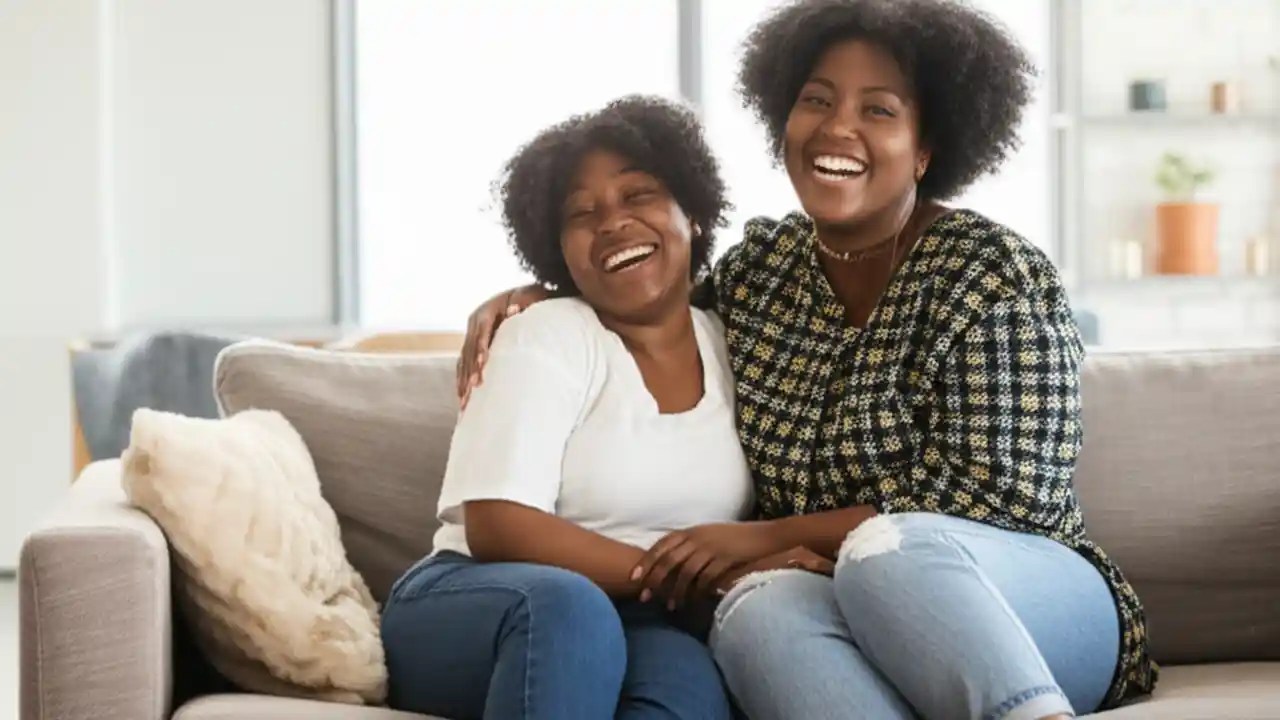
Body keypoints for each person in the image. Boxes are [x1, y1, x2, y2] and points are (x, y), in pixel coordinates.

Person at [455, 2, 1157, 719]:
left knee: (888, 552)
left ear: (925, 148)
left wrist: (769, 535)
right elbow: (648, 291)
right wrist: (534, 293)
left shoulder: (993, 275)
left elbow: (1003, 500)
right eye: (816, 100)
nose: (837, 127)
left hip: (1023, 604)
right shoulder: (762, 270)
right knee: (756, 610)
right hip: (834, 606)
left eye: (878, 110)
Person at [380, 96, 779, 720]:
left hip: (647, 622)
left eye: (639, 195)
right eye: (581, 213)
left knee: (690, 688)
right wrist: (698, 578)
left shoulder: (737, 347)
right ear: (556, 250)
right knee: (570, 611)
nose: (613, 223)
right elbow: (498, 525)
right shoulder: (546, 332)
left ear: (693, 215)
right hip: (478, 602)